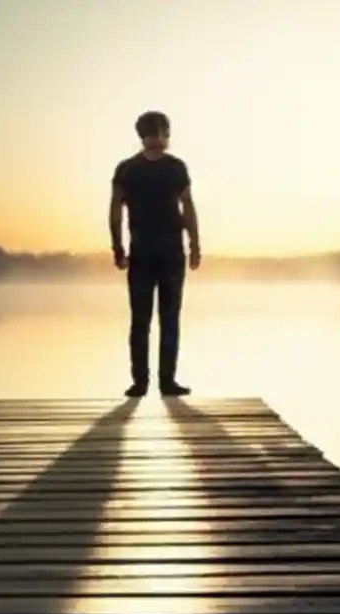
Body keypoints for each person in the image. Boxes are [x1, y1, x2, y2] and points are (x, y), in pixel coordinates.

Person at [109, 110, 200, 398]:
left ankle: (144, 382)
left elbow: (115, 212)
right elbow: (188, 207)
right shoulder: (173, 167)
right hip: (164, 251)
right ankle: (162, 382)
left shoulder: (128, 169)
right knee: (163, 318)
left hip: (149, 250)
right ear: (162, 133)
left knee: (144, 319)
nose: (164, 137)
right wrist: (195, 245)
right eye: (164, 131)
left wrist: (118, 248)